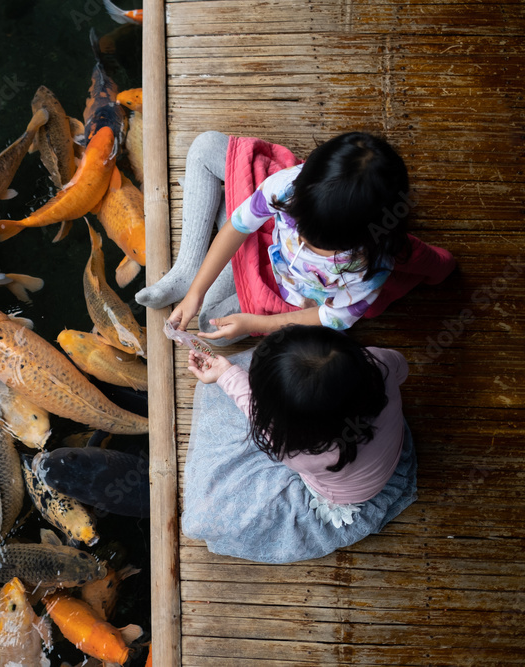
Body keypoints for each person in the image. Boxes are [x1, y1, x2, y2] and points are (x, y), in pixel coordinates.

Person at [135, 131, 417, 345]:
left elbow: (328, 319)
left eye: (317, 245)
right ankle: (187, 269)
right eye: (301, 229)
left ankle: (219, 208)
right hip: (267, 232)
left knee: (212, 330)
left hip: (285, 289)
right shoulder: (289, 186)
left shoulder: (369, 271)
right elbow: (238, 227)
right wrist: (195, 292)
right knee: (205, 146)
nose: (303, 242)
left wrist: (255, 324)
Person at [180, 325, 417, 563]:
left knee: (207, 516)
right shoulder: (379, 363)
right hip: (385, 455)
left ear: (290, 424)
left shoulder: (296, 451)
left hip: (344, 493)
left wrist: (227, 374)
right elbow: (401, 371)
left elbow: (255, 414)